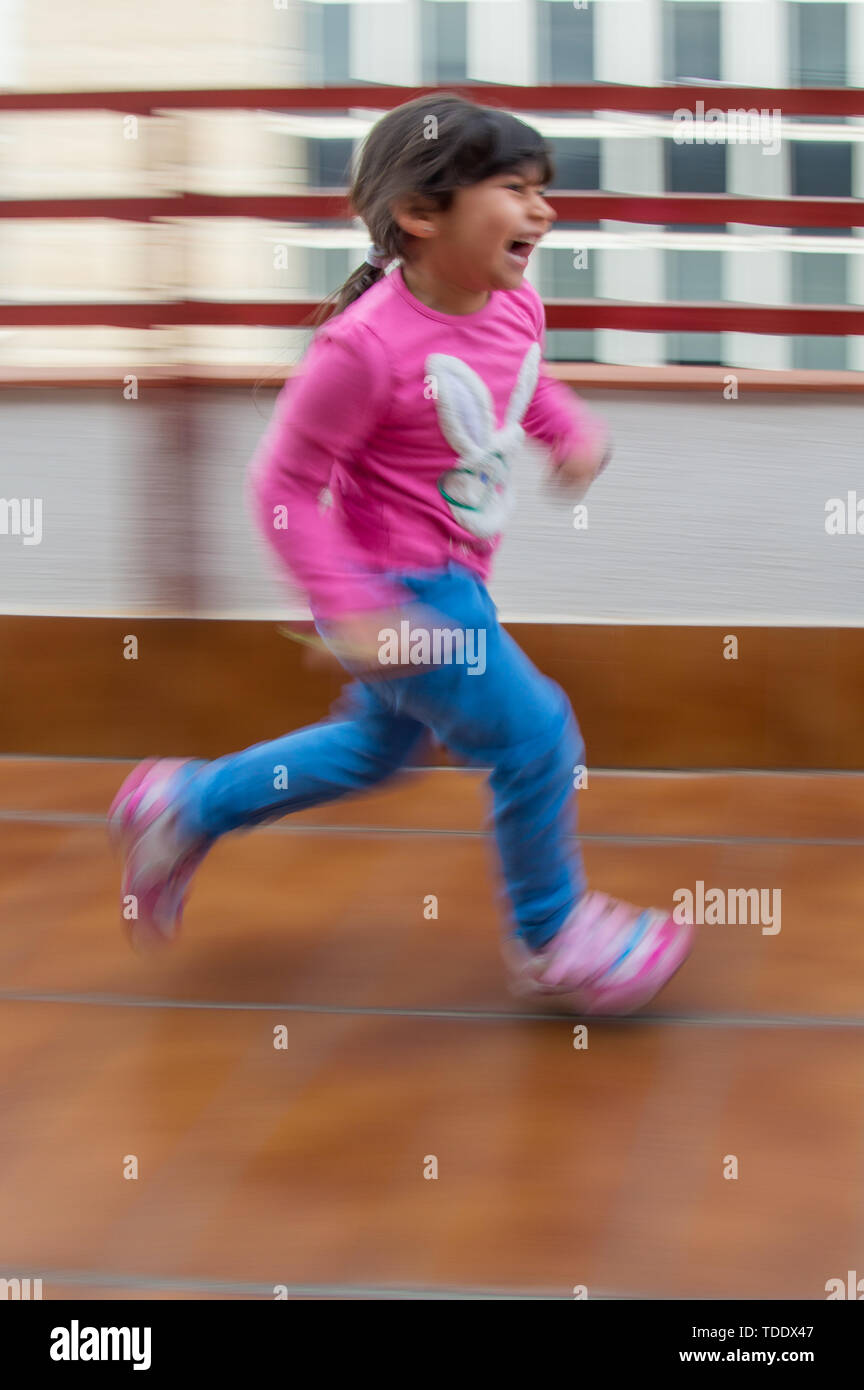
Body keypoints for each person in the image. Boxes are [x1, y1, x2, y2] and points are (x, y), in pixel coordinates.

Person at [109, 94, 692, 1014]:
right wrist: (351, 605)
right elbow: (283, 487)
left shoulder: (514, 303)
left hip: (450, 582)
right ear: (421, 216)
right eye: (514, 187)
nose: (543, 210)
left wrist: (568, 430)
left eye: (543, 190)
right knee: (538, 739)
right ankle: (554, 938)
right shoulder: (364, 348)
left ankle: (189, 805)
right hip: (398, 595)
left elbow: (522, 388)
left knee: (380, 750)